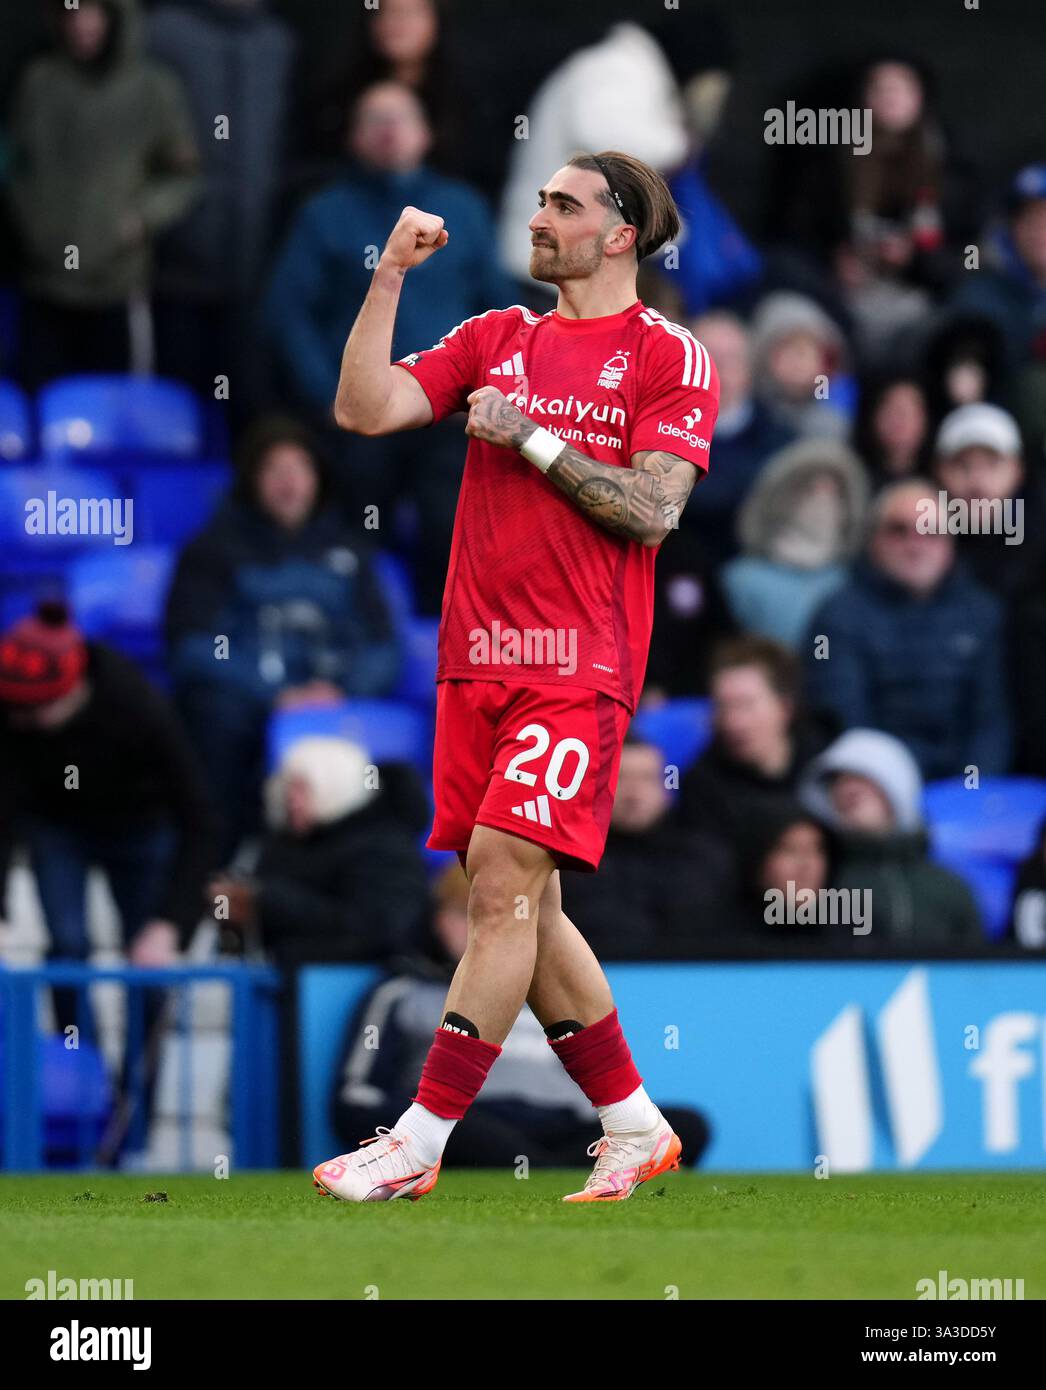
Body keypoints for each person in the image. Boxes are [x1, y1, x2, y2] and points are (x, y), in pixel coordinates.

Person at [312, 148, 720, 1205]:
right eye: (539, 199)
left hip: (576, 663)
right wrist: (388, 276)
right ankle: (632, 1122)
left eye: (563, 204)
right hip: (472, 662)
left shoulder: (667, 353)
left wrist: (532, 437)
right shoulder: (496, 336)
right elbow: (363, 409)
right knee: (518, 901)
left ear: (619, 232)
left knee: (497, 887)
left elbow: (654, 508)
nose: (538, 216)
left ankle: (417, 1137)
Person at [265, 80, 514, 610]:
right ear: (354, 138)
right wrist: (328, 393)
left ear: (425, 134)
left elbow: (504, 312)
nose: (388, 129)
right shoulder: (324, 213)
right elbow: (287, 312)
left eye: (400, 117)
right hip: (360, 418)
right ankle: (360, 651)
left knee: (456, 535)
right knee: (355, 540)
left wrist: (487, 391)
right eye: (373, 119)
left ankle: (449, 648)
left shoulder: (462, 209)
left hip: (448, 416)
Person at [333, 863, 711, 1168]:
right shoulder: (404, 991)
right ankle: (551, 1172)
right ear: (438, 921)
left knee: (685, 1125)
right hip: (473, 1123)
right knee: (473, 1135)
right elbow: (354, 1099)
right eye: (467, 914)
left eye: (495, 915)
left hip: (563, 1125)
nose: (483, 930)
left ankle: (546, 1168)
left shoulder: (557, 989)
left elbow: (601, 1085)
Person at [166, 416, 399, 859]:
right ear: (252, 479)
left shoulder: (351, 551)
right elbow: (192, 648)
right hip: (246, 705)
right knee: (215, 720)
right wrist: (273, 695)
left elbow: (385, 647)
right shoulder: (211, 551)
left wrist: (339, 689)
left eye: (300, 469)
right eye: (275, 470)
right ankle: (217, 868)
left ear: (318, 478)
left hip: (336, 700)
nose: (288, 483)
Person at [0, 603, 215, 1032]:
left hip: (140, 827)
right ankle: (82, 1079)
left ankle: (137, 1090)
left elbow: (201, 818)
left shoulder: (138, 706)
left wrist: (171, 923)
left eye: (36, 710)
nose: (23, 720)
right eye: (16, 711)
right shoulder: (13, 713)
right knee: (66, 947)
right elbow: (3, 810)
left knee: (148, 962)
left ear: (74, 689)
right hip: (55, 825)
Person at [8, 0, 200, 386]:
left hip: (116, 285)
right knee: (39, 406)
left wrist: (140, 219)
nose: (82, 25)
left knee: (116, 407)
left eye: (92, 13)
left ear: (115, 17)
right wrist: (32, 222)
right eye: (73, 14)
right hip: (44, 283)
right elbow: (15, 165)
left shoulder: (152, 88)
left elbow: (184, 175)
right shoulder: (38, 83)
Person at [803, 478, 1012, 780]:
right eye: (899, 530)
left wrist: (970, 791)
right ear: (872, 538)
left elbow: (992, 722)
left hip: (963, 791)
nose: (915, 545)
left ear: (950, 543)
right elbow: (844, 723)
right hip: (874, 786)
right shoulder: (835, 616)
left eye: (931, 532)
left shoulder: (984, 613)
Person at [146, 0, 296, 405]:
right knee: (176, 404)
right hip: (173, 263)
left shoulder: (276, 41)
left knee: (247, 401)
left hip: (257, 265)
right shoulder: (161, 31)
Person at [209, 736, 429, 970]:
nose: (292, 800)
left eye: (302, 789)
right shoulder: (282, 843)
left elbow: (374, 932)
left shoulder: (384, 846)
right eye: (289, 788)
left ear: (334, 787)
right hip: (283, 981)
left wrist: (264, 901)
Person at [798, 728, 982, 947]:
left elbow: (976, 975)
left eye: (861, 777)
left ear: (897, 785)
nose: (847, 788)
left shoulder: (951, 889)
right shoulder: (817, 883)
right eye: (837, 782)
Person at [561, 736, 734, 958]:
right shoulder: (570, 864)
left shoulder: (704, 858)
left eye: (647, 779)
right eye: (620, 779)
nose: (633, 793)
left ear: (668, 788)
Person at [721, 437, 868, 647]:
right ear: (781, 497)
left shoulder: (851, 584)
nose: (821, 503)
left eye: (835, 494)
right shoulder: (740, 580)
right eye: (810, 489)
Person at [678, 637, 827, 842]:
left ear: (785, 708)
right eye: (723, 707)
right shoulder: (701, 785)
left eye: (745, 705)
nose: (733, 722)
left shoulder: (825, 767)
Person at [930, 401, 1042, 597]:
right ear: (939, 471)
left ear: (1018, 471)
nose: (977, 482)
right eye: (963, 465)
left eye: (992, 465)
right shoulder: (914, 542)